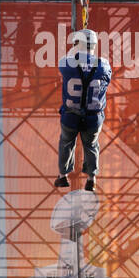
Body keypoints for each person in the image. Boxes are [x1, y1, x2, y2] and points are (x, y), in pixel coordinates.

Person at [55, 28, 113, 192]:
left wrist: (75, 50)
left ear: (77, 44)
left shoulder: (67, 64)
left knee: (66, 143)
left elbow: (65, 60)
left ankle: (63, 175)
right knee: (92, 145)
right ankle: (91, 179)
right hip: (93, 117)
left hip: (71, 115)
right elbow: (107, 78)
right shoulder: (103, 64)